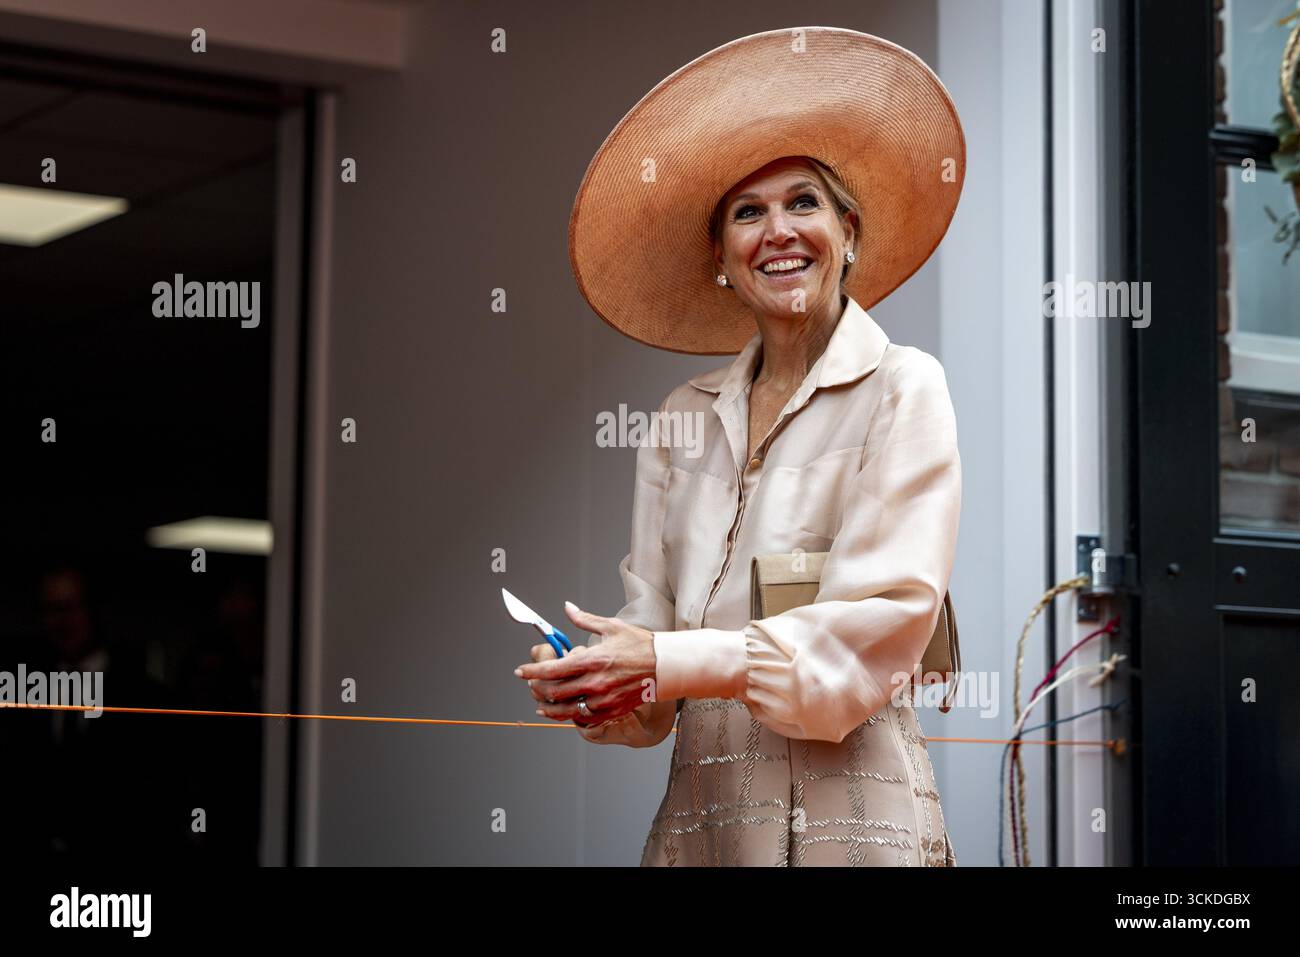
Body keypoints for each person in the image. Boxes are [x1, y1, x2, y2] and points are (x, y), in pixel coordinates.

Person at [517, 26, 964, 866]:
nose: (778, 231)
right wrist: (605, 677)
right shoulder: (678, 417)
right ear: (722, 258)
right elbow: (653, 655)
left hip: (851, 822)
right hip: (704, 820)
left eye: (805, 203)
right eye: (747, 213)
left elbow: (881, 622)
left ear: (850, 231)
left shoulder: (905, 387)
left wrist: (665, 655)